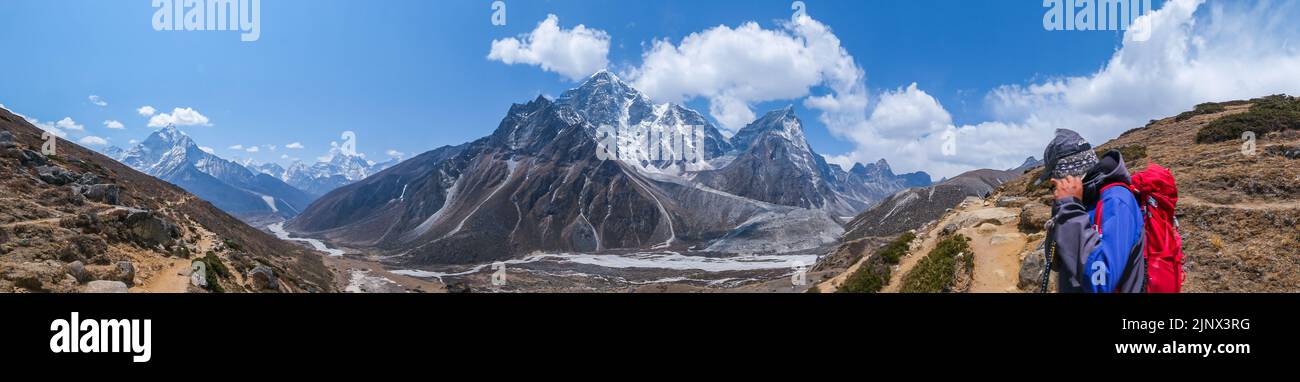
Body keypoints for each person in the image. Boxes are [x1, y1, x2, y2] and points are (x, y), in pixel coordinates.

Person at [1039, 129, 1145, 293]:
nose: (1053, 190)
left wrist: (1069, 210)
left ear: (1068, 175)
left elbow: (1101, 282)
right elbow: (1055, 263)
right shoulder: (1079, 201)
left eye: (1054, 183)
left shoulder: (1116, 201)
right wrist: (1061, 212)